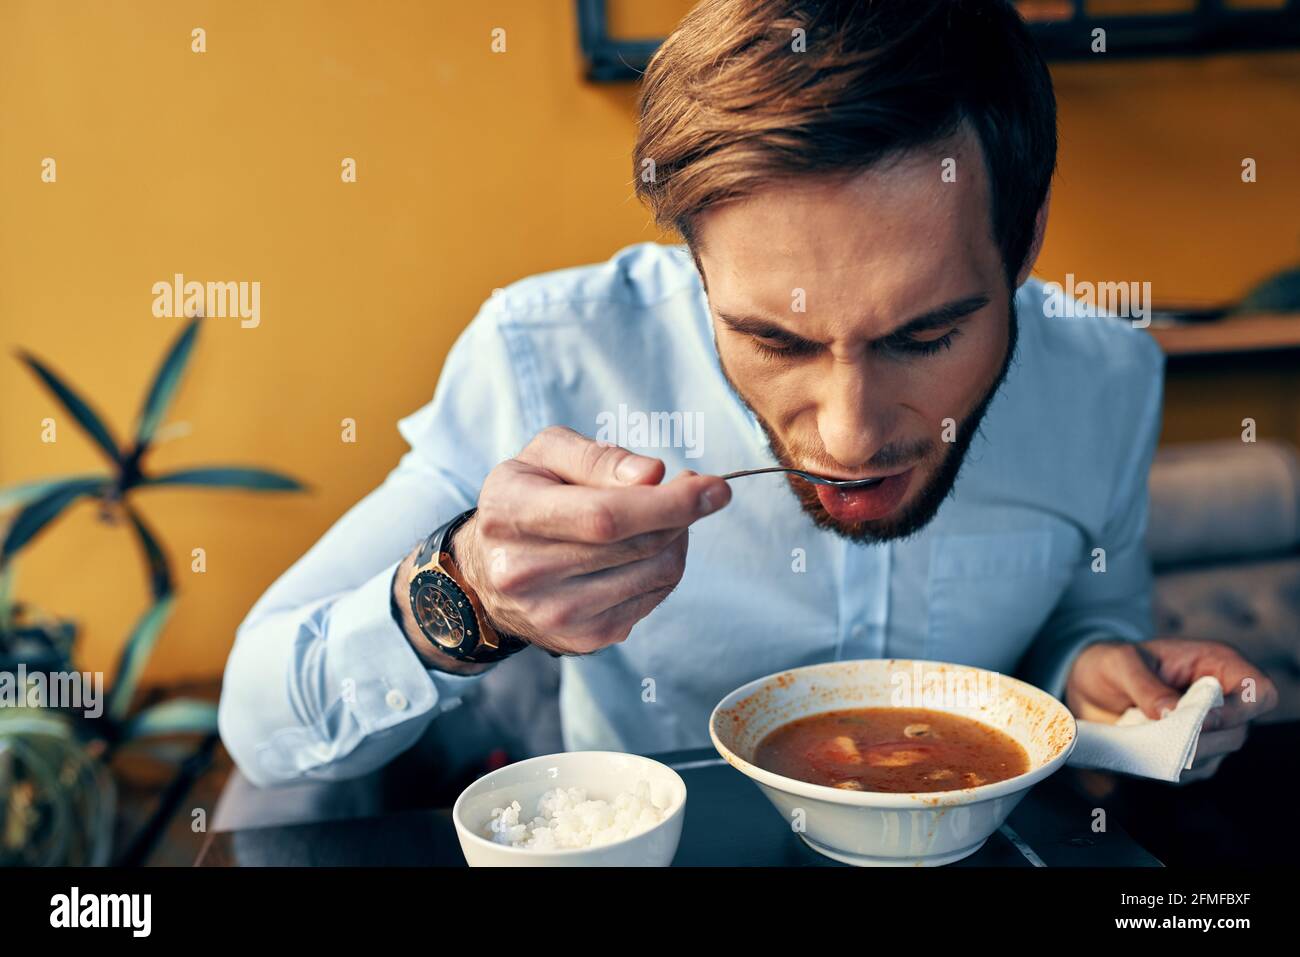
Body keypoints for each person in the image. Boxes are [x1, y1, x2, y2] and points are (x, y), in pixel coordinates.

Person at [218, 0, 1276, 791]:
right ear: (694, 264)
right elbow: (259, 722)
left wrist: (1098, 669)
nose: (851, 433)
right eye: (773, 337)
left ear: (1025, 241)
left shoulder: (1106, 379)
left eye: (926, 335)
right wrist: (469, 597)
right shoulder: (545, 354)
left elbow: (1088, 610)